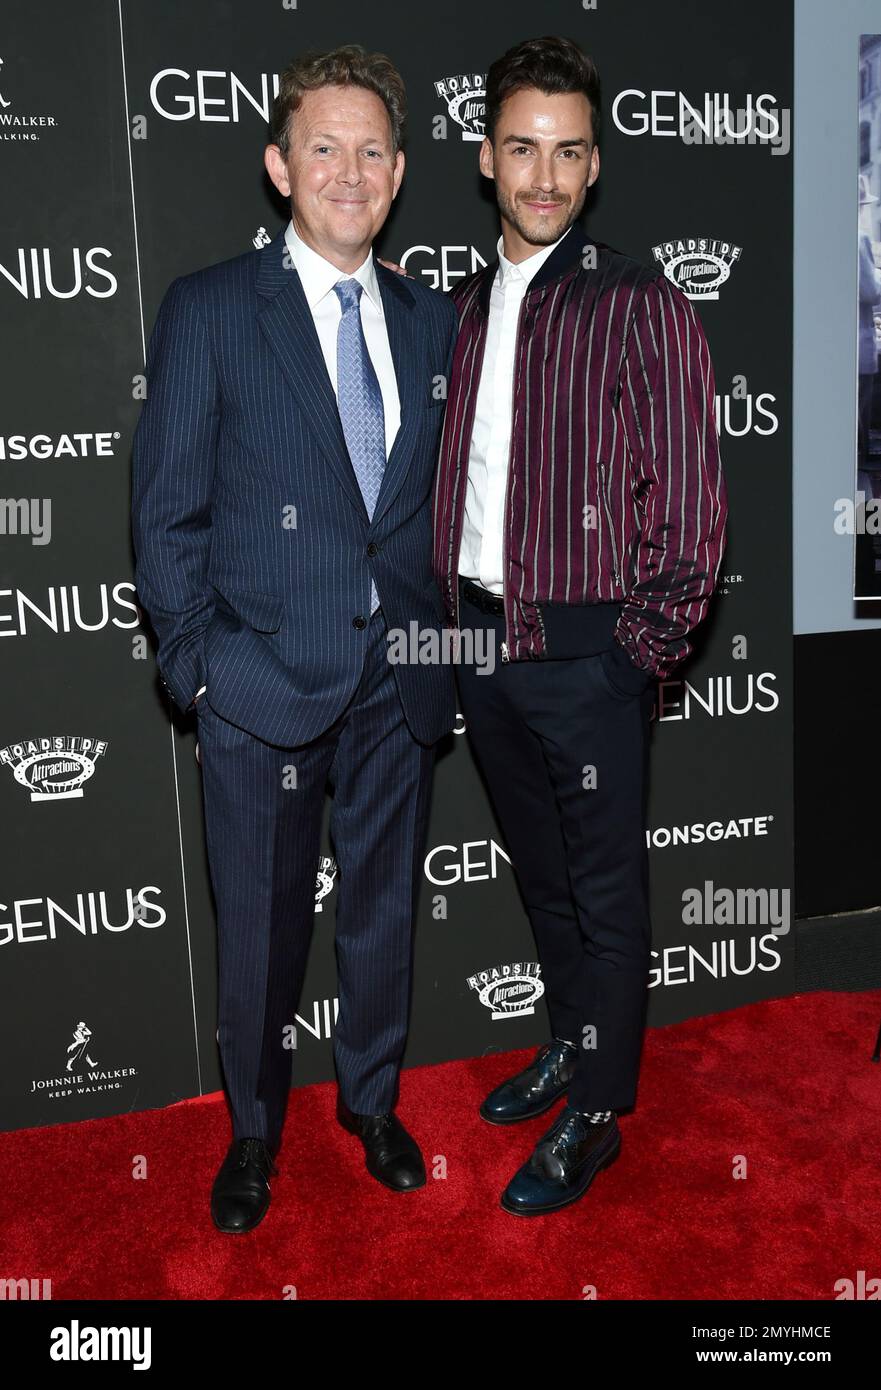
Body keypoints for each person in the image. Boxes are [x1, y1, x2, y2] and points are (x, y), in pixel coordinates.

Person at [132, 44, 458, 1233]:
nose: (348, 169)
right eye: (323, 146)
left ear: (401, 171)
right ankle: (254, 1132)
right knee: (261, 932)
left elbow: (441, 507)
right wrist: (197, 663)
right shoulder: (214, 308)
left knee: (380, 914)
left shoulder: (431, 321)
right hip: (259, 681)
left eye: (371, 149)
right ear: (279, 166)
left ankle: (369, 1103)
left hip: (397, 683)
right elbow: (165, 511)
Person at [432, 35, 729, 1216]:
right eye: (520, 149)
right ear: (485, 159)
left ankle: (598, 1111)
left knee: (604, 893)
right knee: (544, 876)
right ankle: (568, 1041)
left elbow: (693, 509)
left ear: (593, 164)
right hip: (480, 645)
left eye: (565, 153)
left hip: (589, 649)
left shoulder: (638, 301)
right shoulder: (458, 305)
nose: (542, 176)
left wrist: (630, 654)